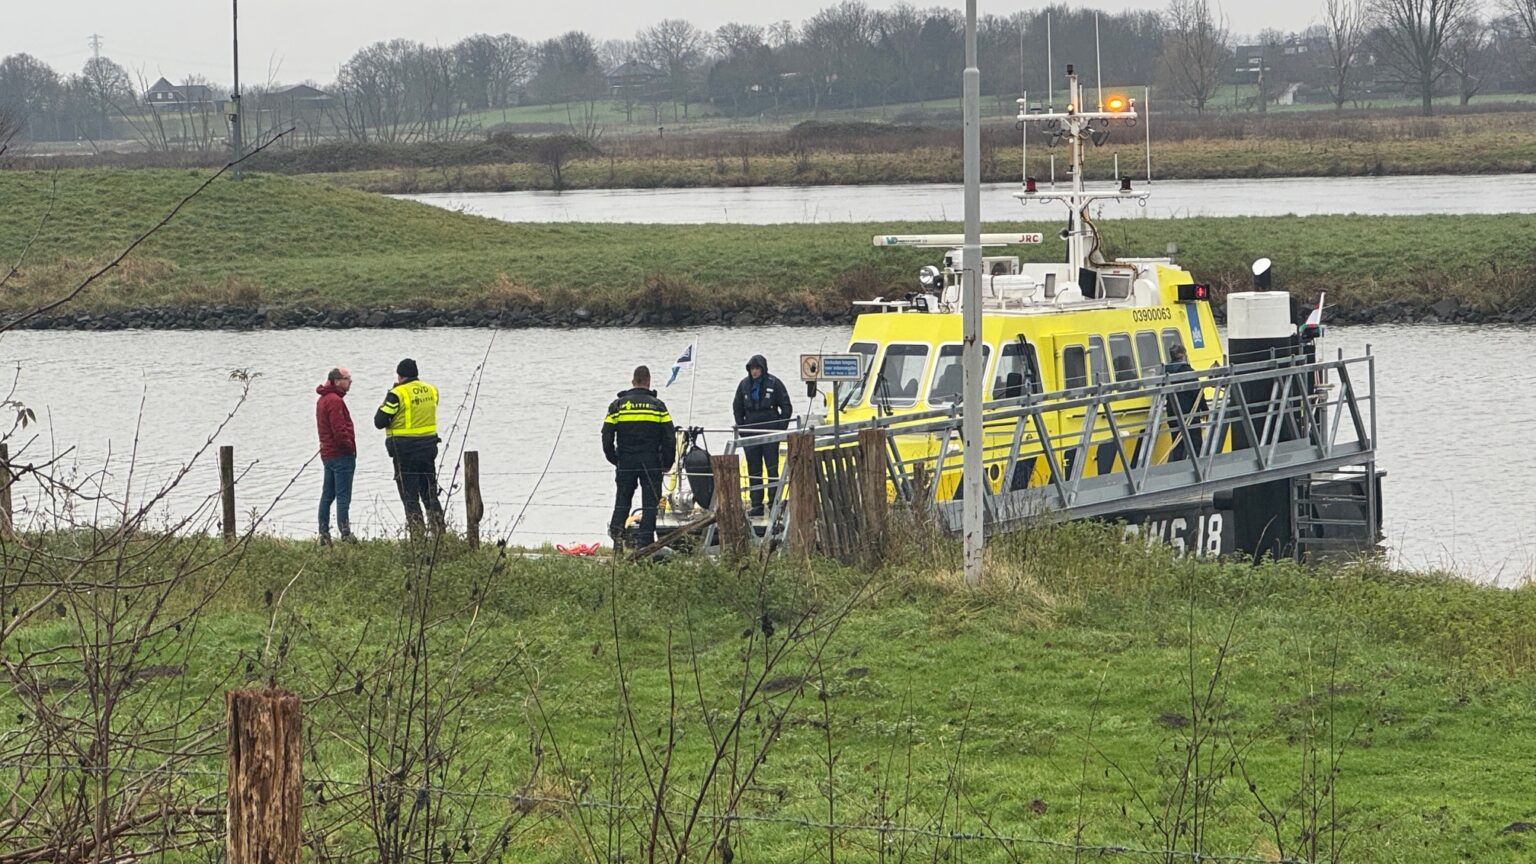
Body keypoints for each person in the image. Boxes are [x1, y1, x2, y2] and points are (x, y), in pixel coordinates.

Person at [603, 365, 676, 549]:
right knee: (650, 504)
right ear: (648, 382)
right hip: (651, 461)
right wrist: (667, 462)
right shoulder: (658, 406)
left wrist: (614, 458)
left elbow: (606, 436)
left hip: (626, 460)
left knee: (622, 500)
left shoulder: (617, 406)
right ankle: (645, 544)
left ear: (633, 381)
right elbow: (669, 437)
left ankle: (617, 538)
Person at [374, 358, 445, 535]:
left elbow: (379, 421)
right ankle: (439, 533)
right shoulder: (431, 390)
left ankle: (418, 535)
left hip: (405, 451)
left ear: (400, 375)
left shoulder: (397, 394)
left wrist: (389, 395)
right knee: (430, 494)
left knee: (410, 496)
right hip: (428, 448)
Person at [731, 354, 792, 516]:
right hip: (750, 430)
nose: (755, 372)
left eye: (757, 368)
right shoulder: (743, 385)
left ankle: (773, 503)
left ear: (763, 369)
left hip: (770, 429)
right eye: (752, 369)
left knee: (772, 468)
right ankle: (756, 504)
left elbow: (786, 406)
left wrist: (780, 428)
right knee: (753, 469)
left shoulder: (775, 383)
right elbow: (737, 407)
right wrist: (742, 428)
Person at [315, 366, 356, 545]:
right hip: (341, 455)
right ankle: (345, 534)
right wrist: (349, 448)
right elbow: (339, 430)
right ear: (338, 381)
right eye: (348, 379)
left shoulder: (323, 399)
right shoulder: (334, 401)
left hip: (328, 454)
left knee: (327, 495)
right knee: (343, 497)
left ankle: (324, 534)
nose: (350, 382)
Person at [1164, 343, 1202, 461]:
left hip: (1173, 413)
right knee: (1196, 443)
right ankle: (1197, 466)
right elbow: (1197, 392)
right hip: (1189, 414)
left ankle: (1177, 465)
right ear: (1184, 355)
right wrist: (1205, 409)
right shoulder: (1188, 371)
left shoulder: (1166, 372)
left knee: (1177, 444)